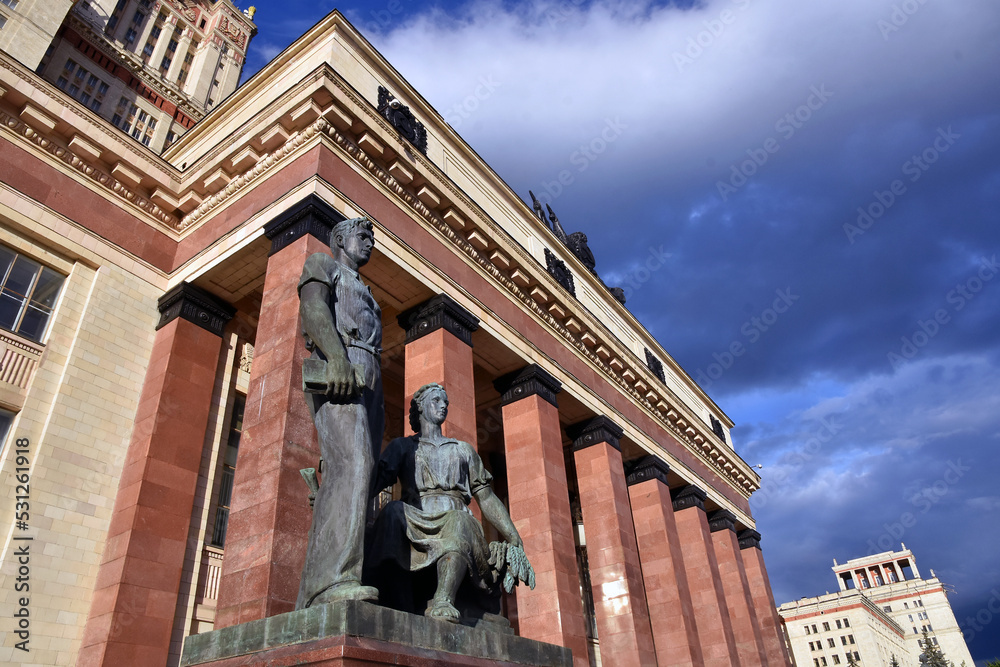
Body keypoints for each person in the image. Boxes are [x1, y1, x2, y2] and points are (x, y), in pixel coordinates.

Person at [366, 383, 534, 624]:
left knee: (458, 521)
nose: (443, 405)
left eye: (445, 401)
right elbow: (374, 483)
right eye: (436, 400)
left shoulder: (462, 450)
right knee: (392, 511)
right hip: (415, 516)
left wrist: (513, 536)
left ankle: (444, 599)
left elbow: (485, 497)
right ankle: (401, 603)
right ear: (421, 407)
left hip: (455, 518)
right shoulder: (402, 447)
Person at [296, 216, 384, 609]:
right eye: (363, 236)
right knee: (352, 464)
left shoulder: (364, 286)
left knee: (366, 479)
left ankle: (349, 574)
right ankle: (330, 582)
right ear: (340, 238)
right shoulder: (323, 264)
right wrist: (335, 357)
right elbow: (313, 309)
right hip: (342, 373)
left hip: (370, 380)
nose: (370, 243)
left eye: (372, 238)